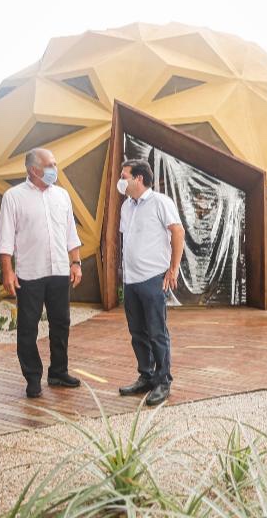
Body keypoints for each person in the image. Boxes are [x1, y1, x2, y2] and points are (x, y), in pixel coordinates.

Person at [0, 147, 83, 398]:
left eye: (54, 164)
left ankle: (58, 372)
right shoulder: (13, 197)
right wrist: (7, 272)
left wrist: (76, 262)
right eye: (50, 165)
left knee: (61, 324)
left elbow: (70, 233)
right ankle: (32, 378)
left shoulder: (62, 196)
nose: (54, 170)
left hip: (58, 271)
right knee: (27, 329)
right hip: (29, 274)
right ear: (33, 169)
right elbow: (5, 239)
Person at [117, 158, 185, 406]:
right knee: (137, 332)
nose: (121, 181)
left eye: (124, 176)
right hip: (131, 280)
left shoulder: (160, 202)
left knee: (157, 332)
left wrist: (173, 269)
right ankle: (145, 376)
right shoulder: (127, 206)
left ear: (139, 179)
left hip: (153, 278)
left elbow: (178, 232)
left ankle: (163, 381)